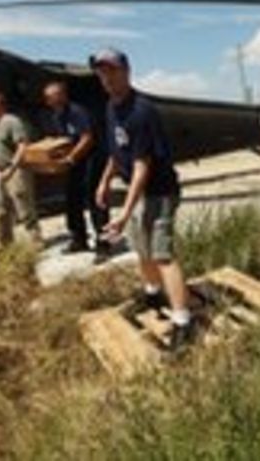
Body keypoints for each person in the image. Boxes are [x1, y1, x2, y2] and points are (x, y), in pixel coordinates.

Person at [91, 48, 195, 351]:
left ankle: (182, 322)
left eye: (111, 70)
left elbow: (141, 167)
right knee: (142, 248)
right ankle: (152, 294)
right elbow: (116, 151)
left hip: (160, 191)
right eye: (101, 72)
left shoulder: (141, 111)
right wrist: (104, 180)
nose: (106, 77)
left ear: (126, 72)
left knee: (162, 254)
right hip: (141, 192)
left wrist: (123, 213)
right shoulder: (112, 108)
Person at [41, 80, 111, 261]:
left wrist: (71, 158)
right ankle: (79, 239)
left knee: (94, 199)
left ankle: (104, 243)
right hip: (75, 162)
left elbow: (87, 138)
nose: (49, 100)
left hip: (91, 159)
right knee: (72, 199)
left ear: (62, 95)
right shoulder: (57, 115)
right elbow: (64, 139)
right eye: (47, 97)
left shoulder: (77, 112)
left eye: (52, 96)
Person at [0, 91, 42, 250]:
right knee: (0, 209)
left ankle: (36, 239)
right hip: (0, 173)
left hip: (17, 170)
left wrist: (12, 168)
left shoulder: (12, 121)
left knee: (24, 205)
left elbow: (22, 146)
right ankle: (4, 241)